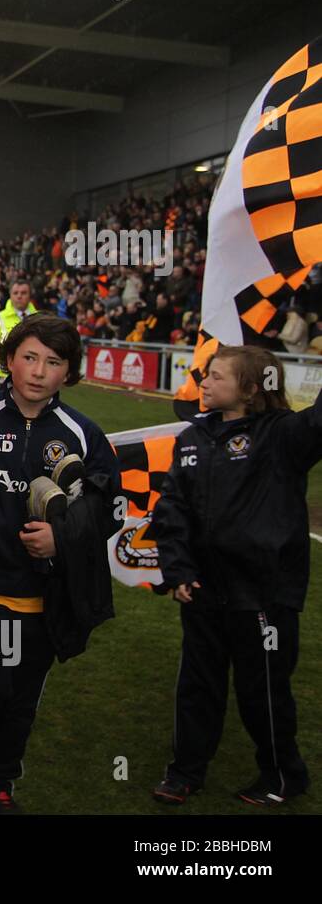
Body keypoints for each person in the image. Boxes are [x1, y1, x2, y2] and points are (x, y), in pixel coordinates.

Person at [0, 314, 122, 814]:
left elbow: (108, 509)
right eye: (30, 357)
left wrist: (61, 538)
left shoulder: (83, 435)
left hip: (44, 593)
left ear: (69, 371)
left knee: (21, 696)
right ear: (9, 360)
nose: (39, 371)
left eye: (54, 361)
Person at [151, 346, 317, 807]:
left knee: (262, 691)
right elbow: (172, 510)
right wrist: (179, 569)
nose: (202, 381)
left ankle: (284, 776)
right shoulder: (193, 438)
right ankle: (185, 773)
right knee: (197, 688)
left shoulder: (283, 435)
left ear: (250, 388)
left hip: (263, 595)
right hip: (204, 591)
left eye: (216, 376)